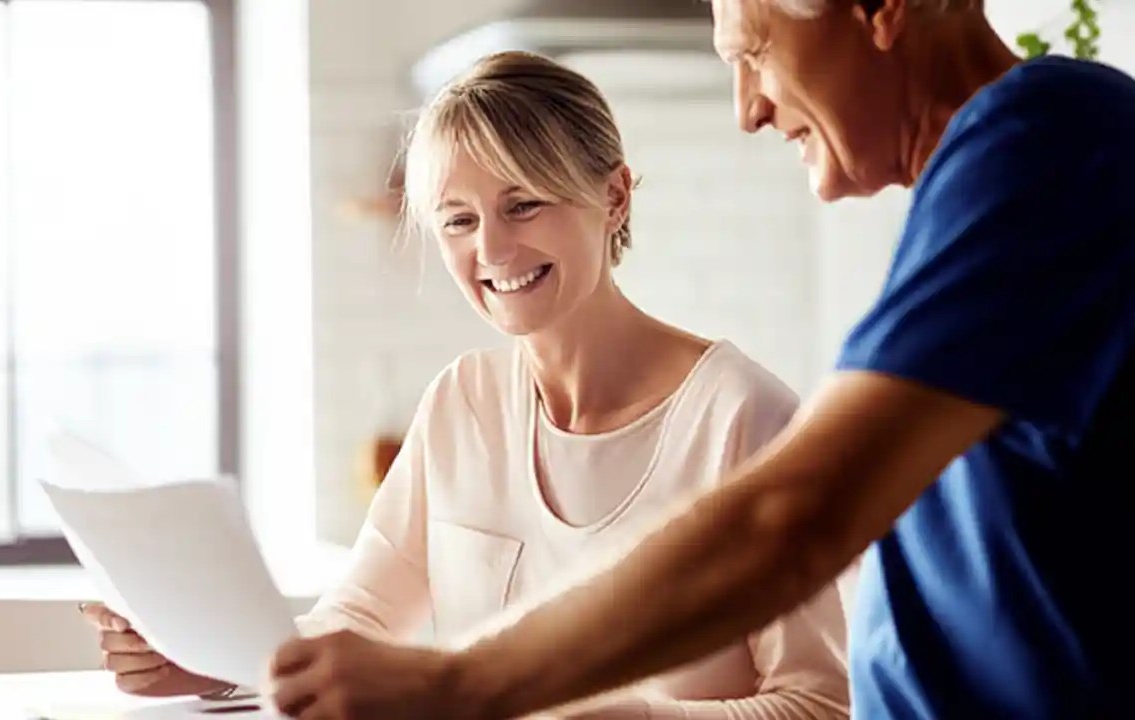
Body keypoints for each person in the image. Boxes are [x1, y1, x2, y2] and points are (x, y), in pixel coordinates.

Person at [261, 1, 1135, 719]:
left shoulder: (1048, 140)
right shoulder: (990, 178)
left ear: (881, 9)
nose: (747, 109)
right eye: (458, 219)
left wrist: (461, 684)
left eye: (753, 52)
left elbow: (789, 521)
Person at [82, 50, 850, 718]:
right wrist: (209, 663)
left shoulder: (742, 417)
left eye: (523, 204)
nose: (493, 249)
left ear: (614, 196)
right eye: (457, 221)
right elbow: (360, 617)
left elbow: (820, 703)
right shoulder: (463, 404)